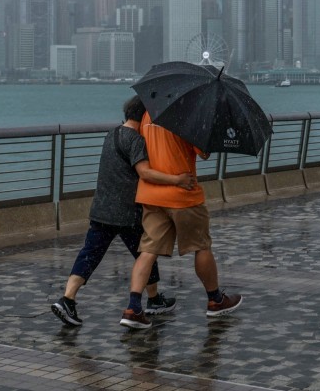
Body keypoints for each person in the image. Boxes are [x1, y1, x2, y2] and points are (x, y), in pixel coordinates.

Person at [51, 95, 195, 326]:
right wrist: (177, 180)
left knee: (90, 255)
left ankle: (67, 299)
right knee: (146, 254)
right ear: (144, 116)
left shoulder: (112, 134)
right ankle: (153, 299)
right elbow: (145, 173)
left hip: (101, 209)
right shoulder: (136, 140)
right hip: (127, 212)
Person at [119, 110, 242, 330]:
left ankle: (133, 307)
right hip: (182, 194)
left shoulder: (147, 116)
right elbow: (204, 152)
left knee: (148, 250)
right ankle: (215, 300)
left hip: (152, 195)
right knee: (201, 246)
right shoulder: (187, 118)